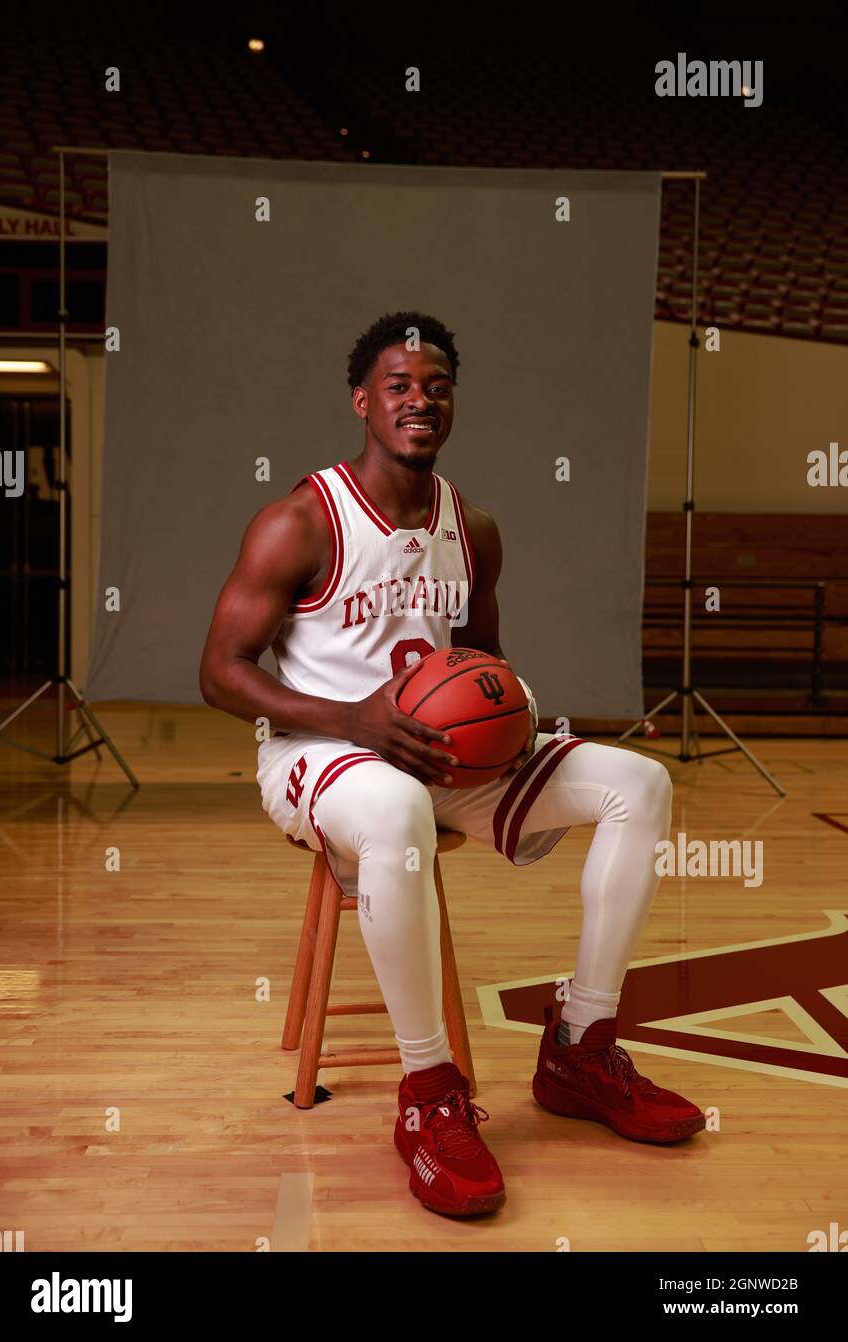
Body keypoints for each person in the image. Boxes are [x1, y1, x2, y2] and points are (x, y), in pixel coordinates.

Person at [199, 310, 704, 1218]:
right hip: (319, 753)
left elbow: (480, 665)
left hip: (434, 757)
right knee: (393, 809)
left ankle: (580, 1049)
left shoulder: (471, 527)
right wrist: (355, 718)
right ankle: (429, 1093)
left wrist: (509, 724)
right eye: (398, 385)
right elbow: (219, 673)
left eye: (435, 387)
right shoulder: (299, 521)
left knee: (641, 784)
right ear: (363, 401)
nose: (418, 400)